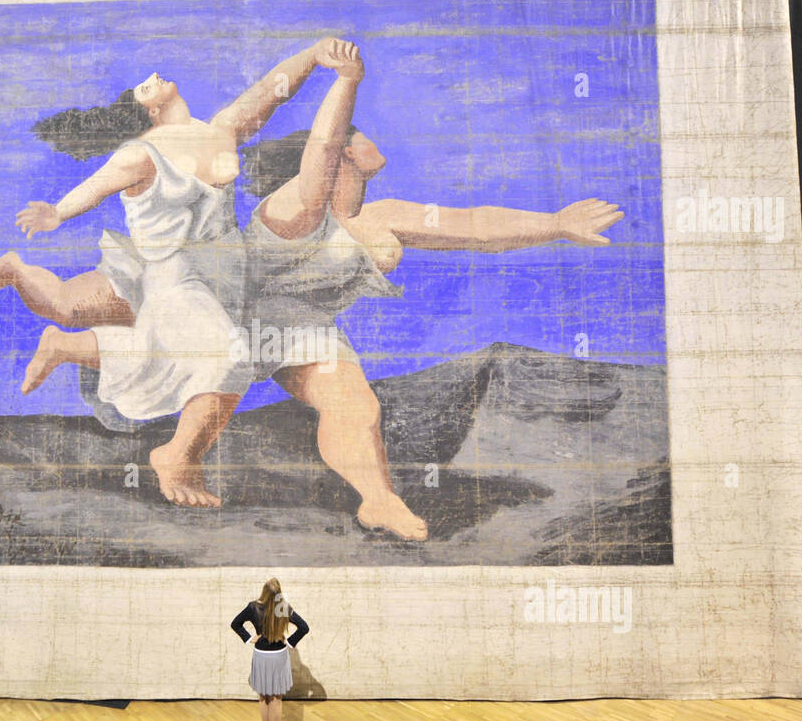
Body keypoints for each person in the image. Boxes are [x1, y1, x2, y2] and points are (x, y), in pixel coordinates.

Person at [0, 39, 363, 508]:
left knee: (132, 338)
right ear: (148, 112)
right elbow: (96, 188)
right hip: (174, 273)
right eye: (144, 88)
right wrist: (56, 213)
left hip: (225, 275)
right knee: (228, 356)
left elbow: (271, 91)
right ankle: (178, 456)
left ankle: (59, 341)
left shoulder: (220, 129)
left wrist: (315, 56)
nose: (153, 78)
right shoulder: (140, 155)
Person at [233, 125, 625, 540]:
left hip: (311, 326)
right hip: (254, 318)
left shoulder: (381, 215)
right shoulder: (292, 210)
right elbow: (325, 138)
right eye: (361, 135)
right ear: (342, 153)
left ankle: (378, 502)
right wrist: (346, 78)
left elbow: (474, 227)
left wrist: (557, 224)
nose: (375, 140)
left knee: (356, 407)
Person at [230, 578, 309, 721]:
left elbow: (235, 624)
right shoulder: (284, 608)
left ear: (264, 592)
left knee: (263, 697)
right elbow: (304, 627)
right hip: (278, 656)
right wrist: (290, 642)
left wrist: (251, 638)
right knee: (276, 699)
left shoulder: (253, 607)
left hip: (261, 656)